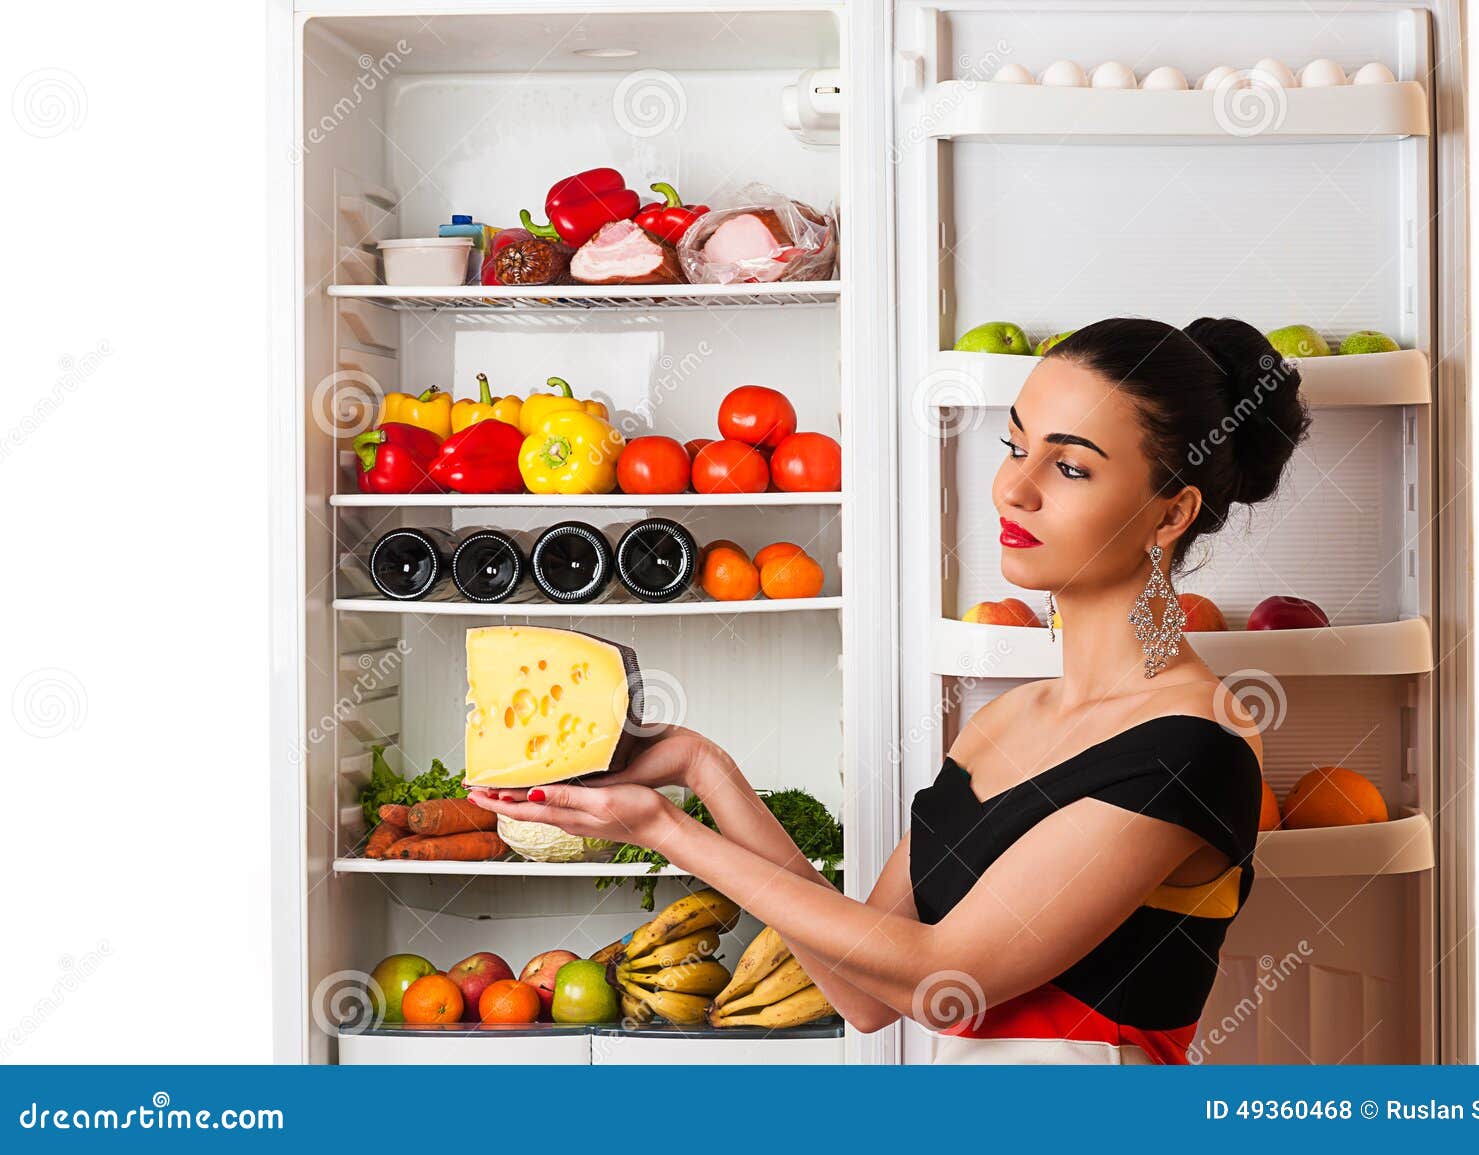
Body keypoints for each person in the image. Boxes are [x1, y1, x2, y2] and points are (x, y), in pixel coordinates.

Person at [470, 316, 1312, 1064]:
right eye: (1016, 447)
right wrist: (702, 771)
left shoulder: (1196, 745)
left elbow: (947, 979)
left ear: (1170, 516)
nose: (1014, 489)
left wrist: (662, 833)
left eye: (1072, 468)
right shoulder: (1006, 720)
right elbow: (865, 992)